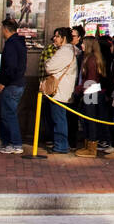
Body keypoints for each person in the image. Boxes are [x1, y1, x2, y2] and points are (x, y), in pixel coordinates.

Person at [41, 27, 78, 155]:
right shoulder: (72, 50)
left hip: (60, 90)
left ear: (63, 38)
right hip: (65, 89)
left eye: (57, 36)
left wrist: (47, 62)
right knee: (60, 118)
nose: (54, 39)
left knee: (59, 118)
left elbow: (50, 67)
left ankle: (61, 145)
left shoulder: (64, 51)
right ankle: (61, 144)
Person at [0, 18, 27, 155]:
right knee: (8, 114)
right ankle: (8, 142)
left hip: (12, 85)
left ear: (6, 29)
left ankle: (14, 143)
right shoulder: (19, 43)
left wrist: (3, 82)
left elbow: (11, 67)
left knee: (8, 115)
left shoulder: (11, 45)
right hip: (17, 83)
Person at [74, 36, 108, 158]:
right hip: (91, 90)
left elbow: (91, 79)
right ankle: (88, 144)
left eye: (83, 43)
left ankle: (91, 146)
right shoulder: (90, 58)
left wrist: (78, 89)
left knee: (90, 118)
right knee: (87, 118)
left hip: (91, 91)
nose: (81, 45)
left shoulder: (91, 59)